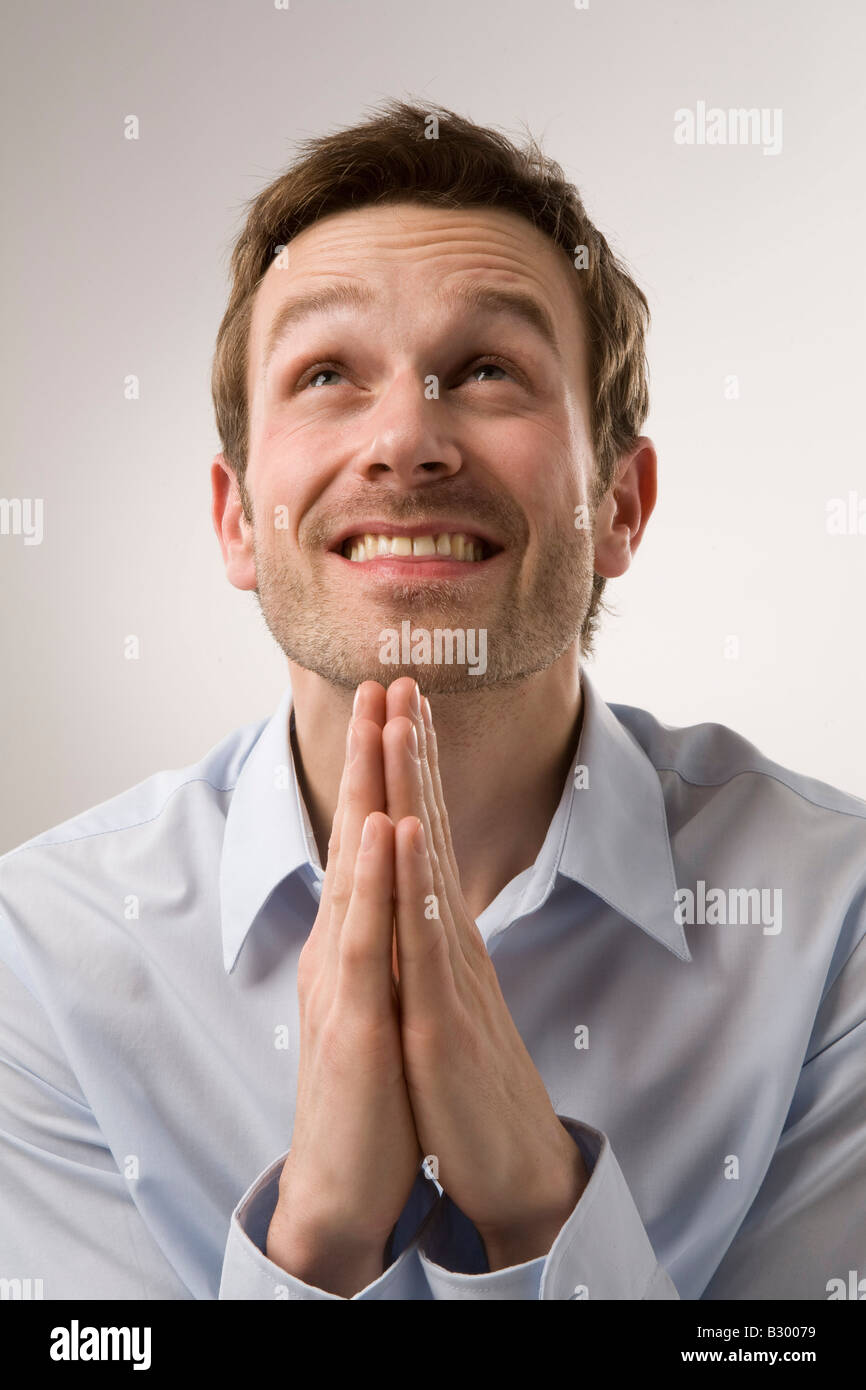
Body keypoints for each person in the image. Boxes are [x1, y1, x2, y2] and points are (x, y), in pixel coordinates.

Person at [1, 98, 864, 1302]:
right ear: (237, 518)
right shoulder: (36, 958)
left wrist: (530, 1198)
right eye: (325, 373)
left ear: (617, 505)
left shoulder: (835, 926)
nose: (406, 439)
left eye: (487, 371)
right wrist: (314, 1237)